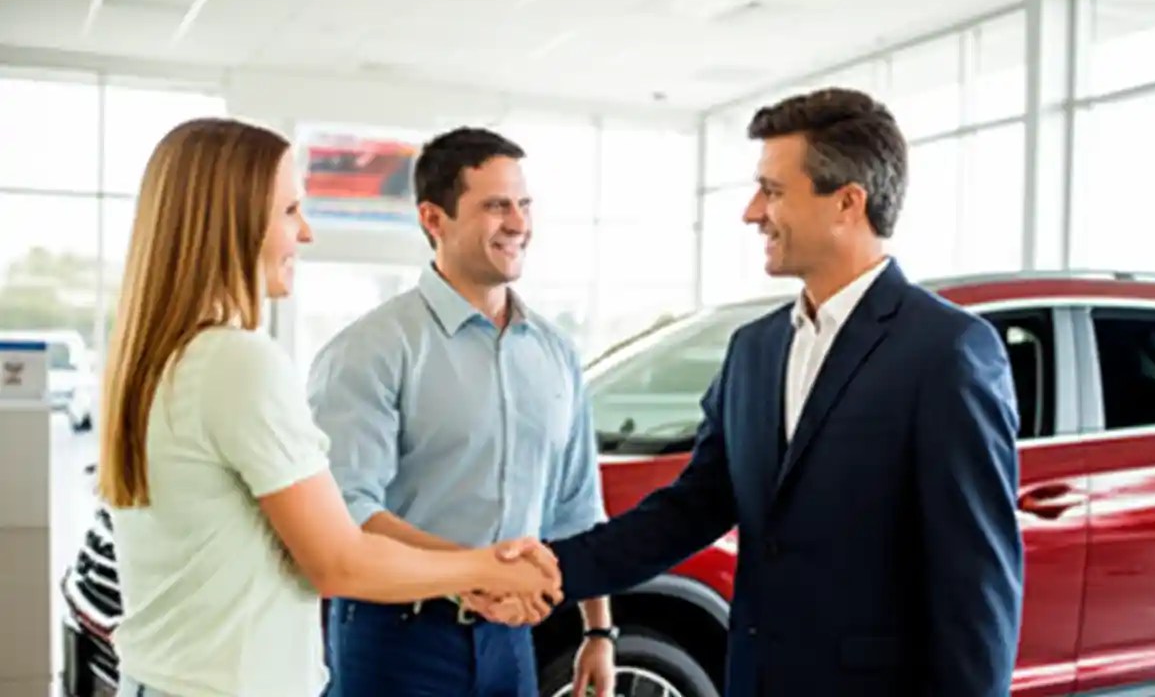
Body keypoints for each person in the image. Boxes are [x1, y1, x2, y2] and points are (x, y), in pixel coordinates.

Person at [547, 88, 1025, 696]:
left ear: (847, 203)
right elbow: (692, 507)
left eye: (772, 191)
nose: (752, 212)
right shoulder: (755, 349)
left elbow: (975, 582)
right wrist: (554, 570)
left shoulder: (947, 352)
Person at [98, 117, 562, 697]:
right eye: (290, 212)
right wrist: (488, 568)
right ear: (233, 220)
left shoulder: (161, 357)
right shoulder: (238, 363)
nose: (307, 234)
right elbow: (339, 561)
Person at [307, 126, 616, 697]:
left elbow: (577, 506)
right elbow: (348, 509)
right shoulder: (370, 350)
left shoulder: (555, 353)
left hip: (512, 642)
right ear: (433, 219)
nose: (519, 224)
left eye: (523, 205)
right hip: (397, 635)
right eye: (496, 206)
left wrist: (599, 632)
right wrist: (478, 570)